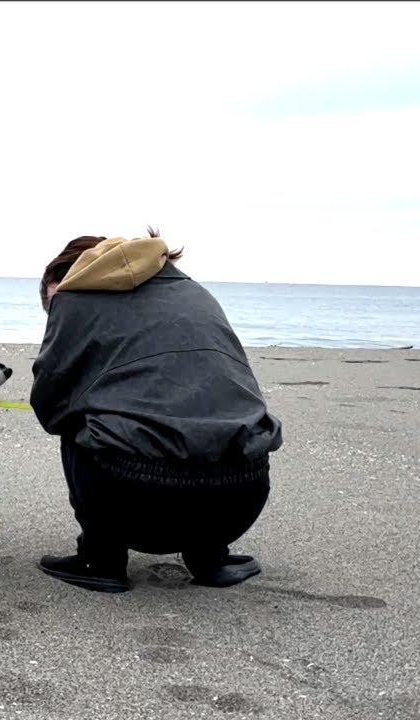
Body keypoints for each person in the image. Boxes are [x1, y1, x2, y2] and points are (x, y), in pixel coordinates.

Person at [30, 228, 284, 593]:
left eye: (52, 308)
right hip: (243, 495)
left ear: (70, 276)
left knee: (76, 420)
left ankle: (100, 560)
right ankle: (211, 558)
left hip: (136, 502)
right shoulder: (195, 293)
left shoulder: (76, 298)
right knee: (212, 408)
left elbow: (49, 405)